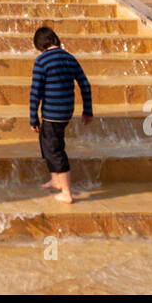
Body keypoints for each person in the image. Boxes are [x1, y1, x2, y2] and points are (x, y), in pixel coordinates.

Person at [28, 25, 94, 204]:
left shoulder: (42, 61)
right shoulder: (70, 58)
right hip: (65, 112)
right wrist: (87, 110)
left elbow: (36, 92)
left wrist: (33, 117)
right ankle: (56, 179)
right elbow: (85, 85)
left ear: (40, 45)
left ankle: (66, 192)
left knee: (55, 150)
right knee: (47, 141)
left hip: (52, 113)